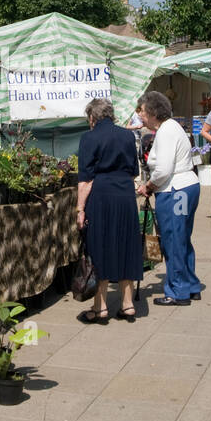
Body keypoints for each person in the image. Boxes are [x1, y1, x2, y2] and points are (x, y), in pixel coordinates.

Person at [75, 98, 143, 323]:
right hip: (125, 195)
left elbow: (85, 180)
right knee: (126, 244)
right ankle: (127, 304)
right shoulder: (126, 135)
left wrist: (80, 209)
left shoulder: (89, 137)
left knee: (99, 246)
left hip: (101, 196)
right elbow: (134, 170)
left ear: (92, 117)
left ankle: (100, 307)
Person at [136, 90, 201, 305]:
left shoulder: (165, 131)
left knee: (173, 240)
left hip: (175, 190)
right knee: (182, 239)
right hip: (186, 187)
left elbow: (163, 170)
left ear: (153, 112)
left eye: (143, 111)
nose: (141, 116)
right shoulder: (173, 127)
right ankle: (190, 285)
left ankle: (177, 291)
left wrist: (149, 185)